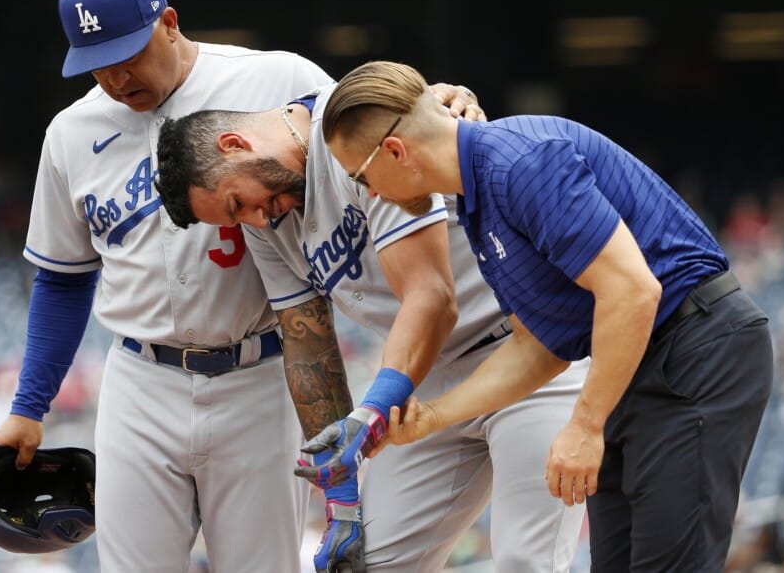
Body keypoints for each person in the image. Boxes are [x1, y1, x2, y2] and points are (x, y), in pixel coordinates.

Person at [0, 0, 479, 573]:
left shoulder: (274, 77)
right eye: (96, 62)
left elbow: (374, 132)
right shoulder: (71, 133)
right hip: (140, 379)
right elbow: (63, 278)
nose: (114, 75)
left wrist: (442, 103)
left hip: (260, 371)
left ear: (168, 23)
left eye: (127, 52)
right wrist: (28, 408)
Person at [320, 60, 775, 573]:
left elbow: (633, 292)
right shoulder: (480, 197)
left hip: (694, 348)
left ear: (397, 152)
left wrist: (585, 424)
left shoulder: (520, 162)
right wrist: (433, 418)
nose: (372, 194)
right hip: (636, 362)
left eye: (361, 177)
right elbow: (539, 345)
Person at [153, 88, 589, 572]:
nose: (256, 218)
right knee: (366, 565)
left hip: (526, 351)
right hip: (427, 375)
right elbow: (307, 341)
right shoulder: (268, 225)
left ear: (233, 144)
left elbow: (433, 298)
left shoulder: (354, 130)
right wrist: (342, 497)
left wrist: (376, 408)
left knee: (526, 563)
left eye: (239, 203)